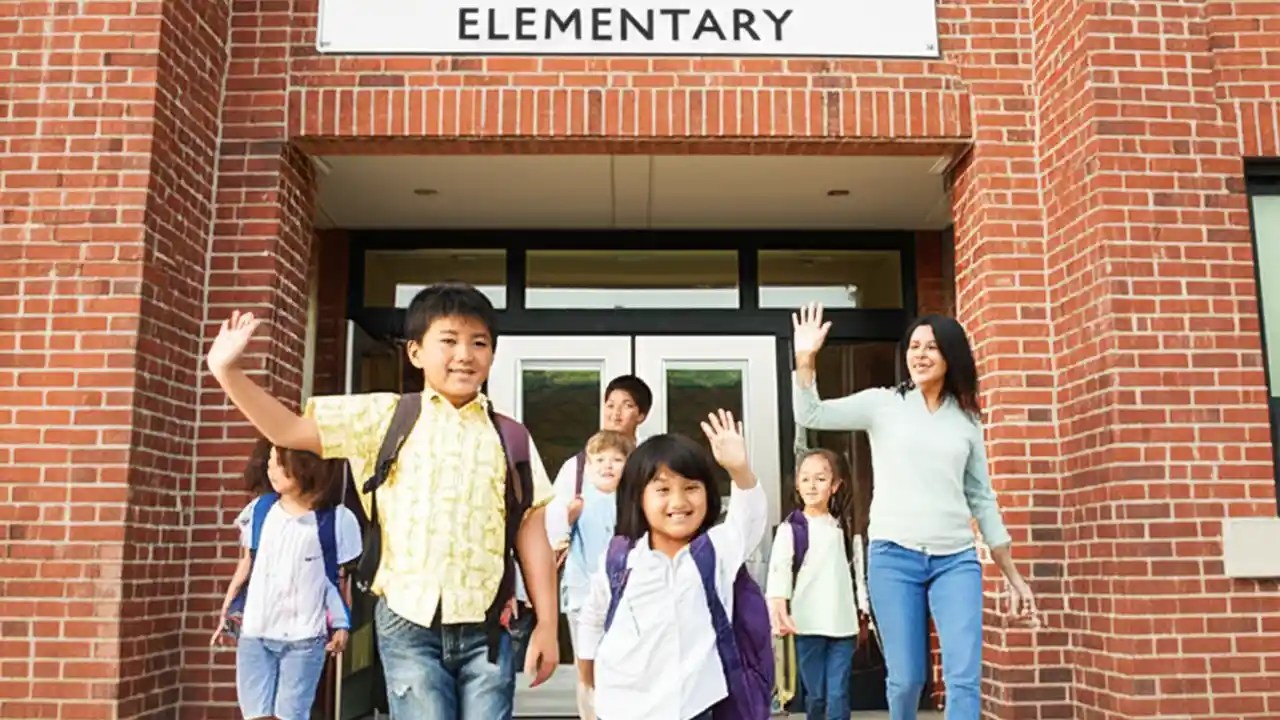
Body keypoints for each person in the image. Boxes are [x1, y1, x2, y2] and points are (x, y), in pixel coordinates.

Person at [205, 282, 560, 720]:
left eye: (479, 342)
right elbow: (289, 431)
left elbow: (532, 533)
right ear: (415, 352)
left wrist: (547, 623)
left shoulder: (511, 436)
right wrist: (228, 373)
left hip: (489, 628)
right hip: (409, 624)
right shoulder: (384, 416)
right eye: (448, 340)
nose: (464, 354)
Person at [790, 302, 1038, 720]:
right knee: (906, 679)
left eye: (932, 348)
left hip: (955, 560)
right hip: (894, 557)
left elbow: (982, 497)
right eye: (914, 346)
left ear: (951, 357)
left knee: (963, 679)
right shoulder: (883, 404)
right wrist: (805, 358)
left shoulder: (967, 421)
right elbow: (812, 413)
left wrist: (1013, 575)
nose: (920, 355)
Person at [576, 410, 770, 720]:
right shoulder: (622, 559)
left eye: (691, 488)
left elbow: (750, 516)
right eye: (663, 490)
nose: (678, 502)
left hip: (694, 708)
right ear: (638, 497)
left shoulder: (715, 552)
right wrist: (585, 685)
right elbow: (593, 618)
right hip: (622, 709)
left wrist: (739, 469)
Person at [210, 439, 359, 720]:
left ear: (305, 467)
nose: (271, 470)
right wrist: (227, 611)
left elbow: (340, 579)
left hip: (305, 638)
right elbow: (247, 565)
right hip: (255, 632)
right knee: (255, 714)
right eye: (269, 463)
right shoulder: (259, 511)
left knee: (292, 714)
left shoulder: (337, 521)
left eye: (279, 463)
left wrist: (342, 625)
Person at [766, 448, 870, 720]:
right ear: (797, 484)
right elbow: (780, 570)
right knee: (816, 695)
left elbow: (856, 571)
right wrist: (779, 609)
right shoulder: (792, 528)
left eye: (821, 479)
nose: (812, 485)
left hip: (843, 626)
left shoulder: (843, 528)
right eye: (805, 479)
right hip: (807, 624)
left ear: (835, 486)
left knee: (838, 695)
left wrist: (863, 611)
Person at [542, 429, 633, 720]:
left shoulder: (632, 501)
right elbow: (553, 531)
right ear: (587, 467)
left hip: (625, 595)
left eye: (617, 460)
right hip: (583, 592)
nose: (608, 465)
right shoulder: (578, 501)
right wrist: (568, 517)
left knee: (622, 663)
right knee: (587, 665)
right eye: (600, 460)